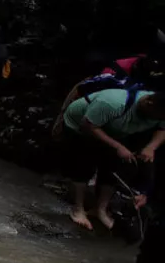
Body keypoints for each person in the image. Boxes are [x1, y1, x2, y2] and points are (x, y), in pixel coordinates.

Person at [60, 87, 165, 231]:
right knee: (84, 164)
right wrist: (117, 146)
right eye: (155, 117)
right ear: (148, 103)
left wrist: (151, 147)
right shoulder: (113, 102)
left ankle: (100, 210)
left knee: (114, 167)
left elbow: (162, 129)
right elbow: (88, 125)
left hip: (115, 131)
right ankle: (78, 209)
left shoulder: (160, 112)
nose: (156, 120)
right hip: (81, 127)